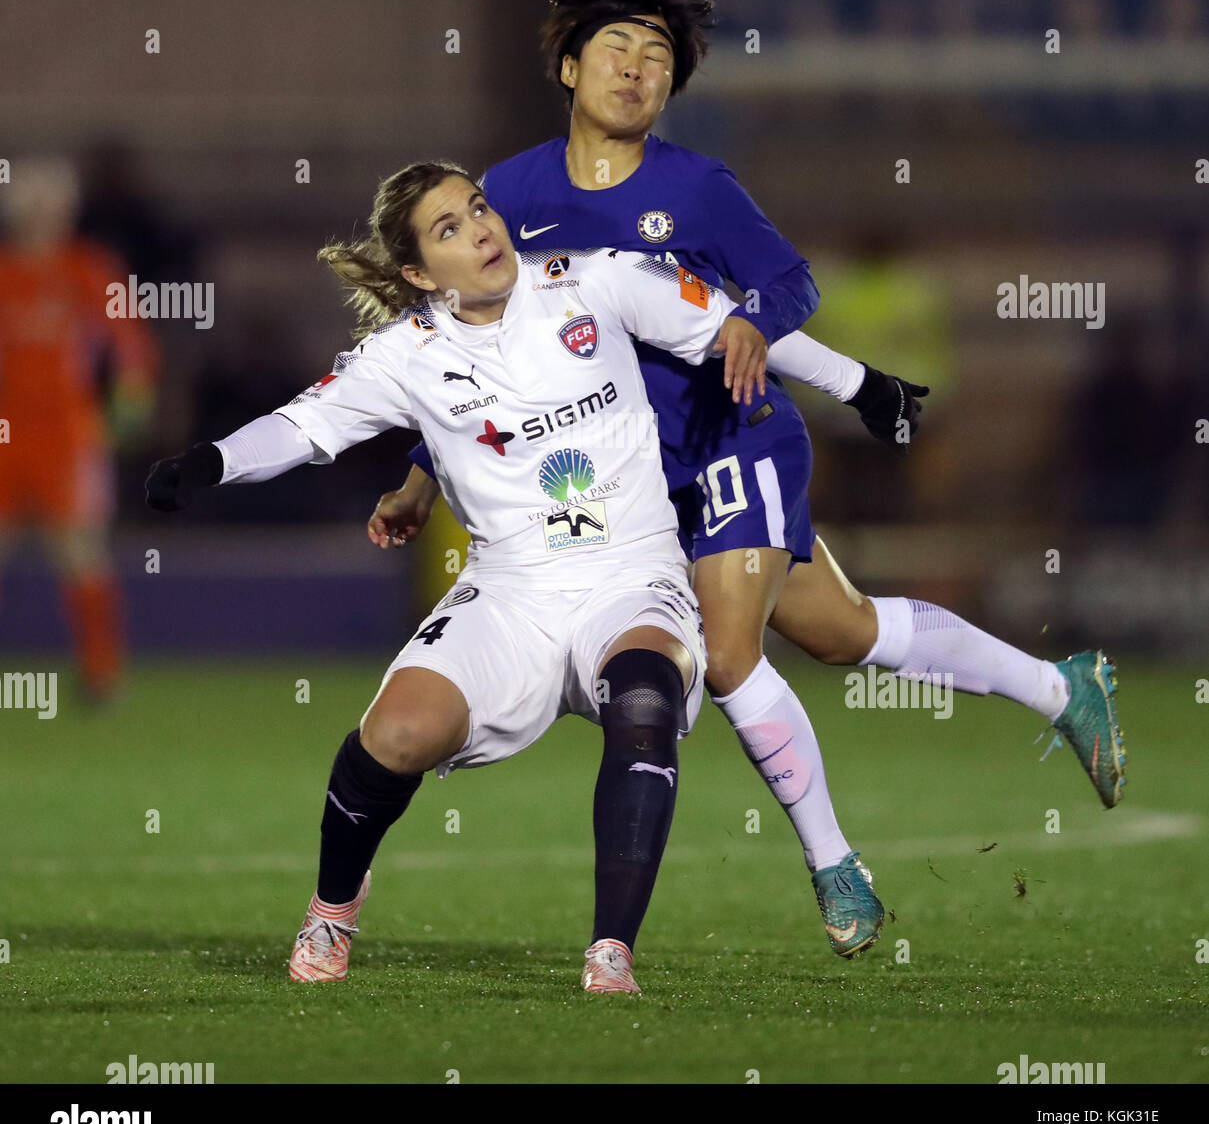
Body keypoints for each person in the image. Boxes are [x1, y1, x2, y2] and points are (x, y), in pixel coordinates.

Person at [381, 0, 1127, 960]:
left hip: (738, 438)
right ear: (568, 66)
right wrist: (420, 474)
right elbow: (469, 350)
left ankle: (835, 864)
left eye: (658, 56)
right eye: (618, 47)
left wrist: (750, 317)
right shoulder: (507, 197)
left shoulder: (698, 189)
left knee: (729, 657)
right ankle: (1058, 686)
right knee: (846, 633)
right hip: (638, 489)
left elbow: (792, 280)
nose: (638, 67)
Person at [144, 161, 879, 992]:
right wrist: (207, 462)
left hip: (633, 572)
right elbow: (303, 426)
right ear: (420, 274)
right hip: (510, 591)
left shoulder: (595, 282)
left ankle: (610, 952)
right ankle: (331, 911)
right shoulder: (404, 357)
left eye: (479, 208)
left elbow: (741, 331)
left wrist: (861, 384)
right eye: (449, 229)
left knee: (646, 697)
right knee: (395, 737)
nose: (481, 230)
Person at [0, 158, 157, 701]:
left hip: (67, 435)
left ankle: (101, 671)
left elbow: (130, 344)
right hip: (5, 433)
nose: (42, 214)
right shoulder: (3, 273)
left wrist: (128, 405)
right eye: (31, 203)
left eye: (52, 204)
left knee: (79, 551)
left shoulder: (87, 269)